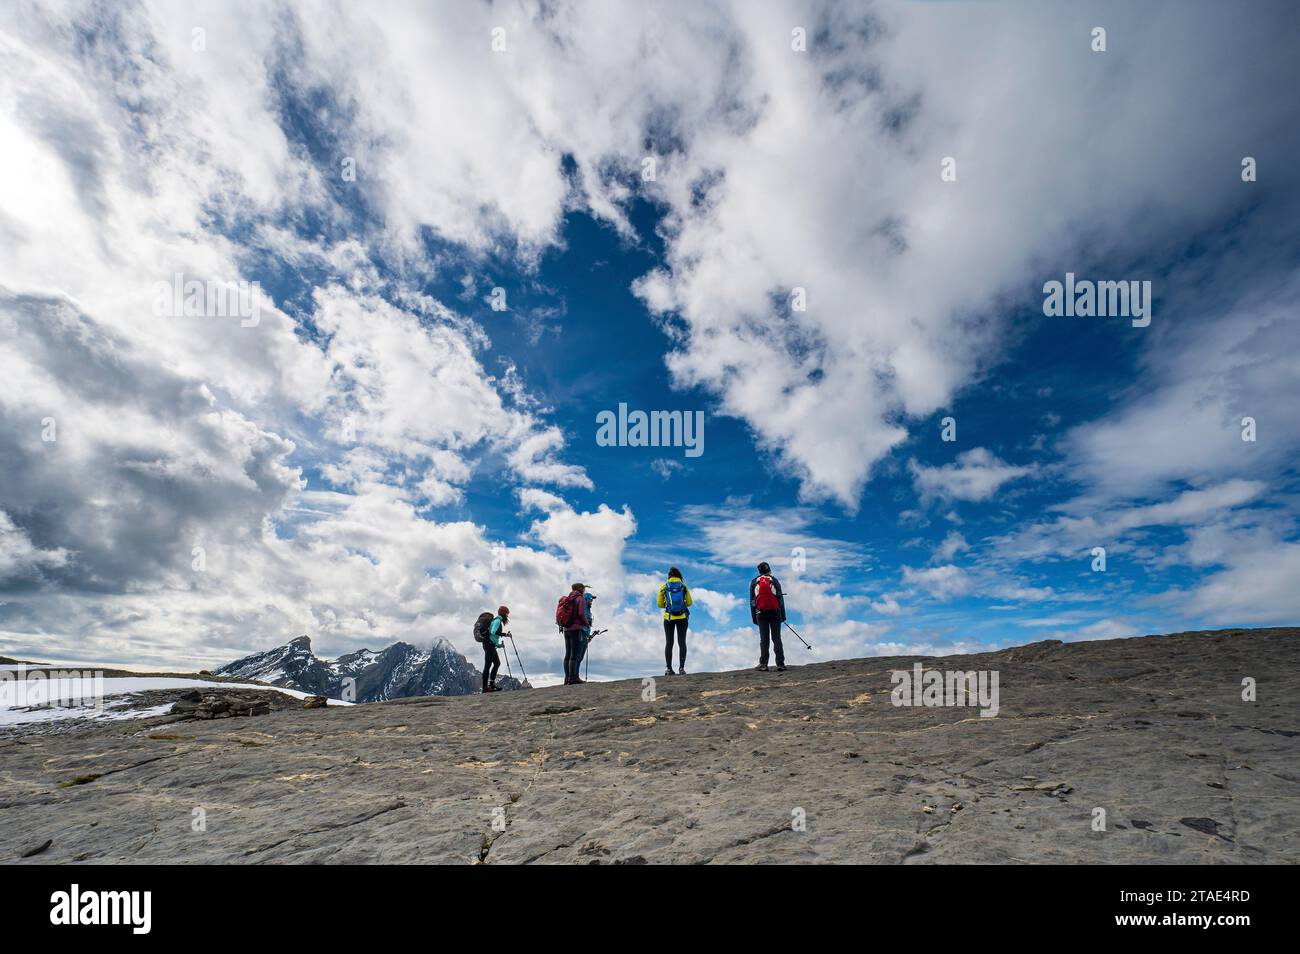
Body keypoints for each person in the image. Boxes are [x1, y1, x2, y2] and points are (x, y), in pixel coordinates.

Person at [749, 562, 787, 672]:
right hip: (775, 613)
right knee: (776, 638)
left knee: (764, 639)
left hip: (761, 613)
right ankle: (780, 664)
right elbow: (780, 599)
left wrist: (754, 617)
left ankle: (763, 664)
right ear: (769, 570)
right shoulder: (774, 580)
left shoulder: (754, 582)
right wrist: (782, 615)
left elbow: (752, 601)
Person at [657, 567, 693, 675]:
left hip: (669, 618)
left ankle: (669, 669)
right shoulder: (683, 586)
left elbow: (659, 604)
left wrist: (668, 606)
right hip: (682, 618)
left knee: (669, 643)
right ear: (679, 576)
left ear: (669, 576)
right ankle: (681, 669)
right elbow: (690, 603)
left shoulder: (664, 587)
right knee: (682, 642)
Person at [557, 582, 587, 685]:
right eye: (583, 588)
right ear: (580, 589)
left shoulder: (566, 599)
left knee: (568, 653)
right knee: (574, 654)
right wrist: (586, 623)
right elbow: (581, 613)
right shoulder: (580, 598)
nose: (584, 590)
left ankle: (567, 678)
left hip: (566, 629)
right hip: (576, 629)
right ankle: (573, 678)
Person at [483, 605, 510, 692]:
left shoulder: (497, 620)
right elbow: (493, 632)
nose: (507, 616)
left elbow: (493, 636)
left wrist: (499, 645)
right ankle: (485, 688)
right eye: (507, 614)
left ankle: (491, 685)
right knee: (488, 665)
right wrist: (505, 634)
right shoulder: (498, 621)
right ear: (503, 613)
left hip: (490, 644)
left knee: (497, 663)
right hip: (488, 644)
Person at [573, 589, 596, 677]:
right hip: (582, 635)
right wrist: (585, 634)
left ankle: (576, 675)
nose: (591, 601)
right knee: (578, 656)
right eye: (590, 600)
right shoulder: (584, 610)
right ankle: (575, 676)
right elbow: (584, 623)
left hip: (585, 635)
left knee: (580, 657)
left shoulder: (587, 610)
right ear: (586, 600)